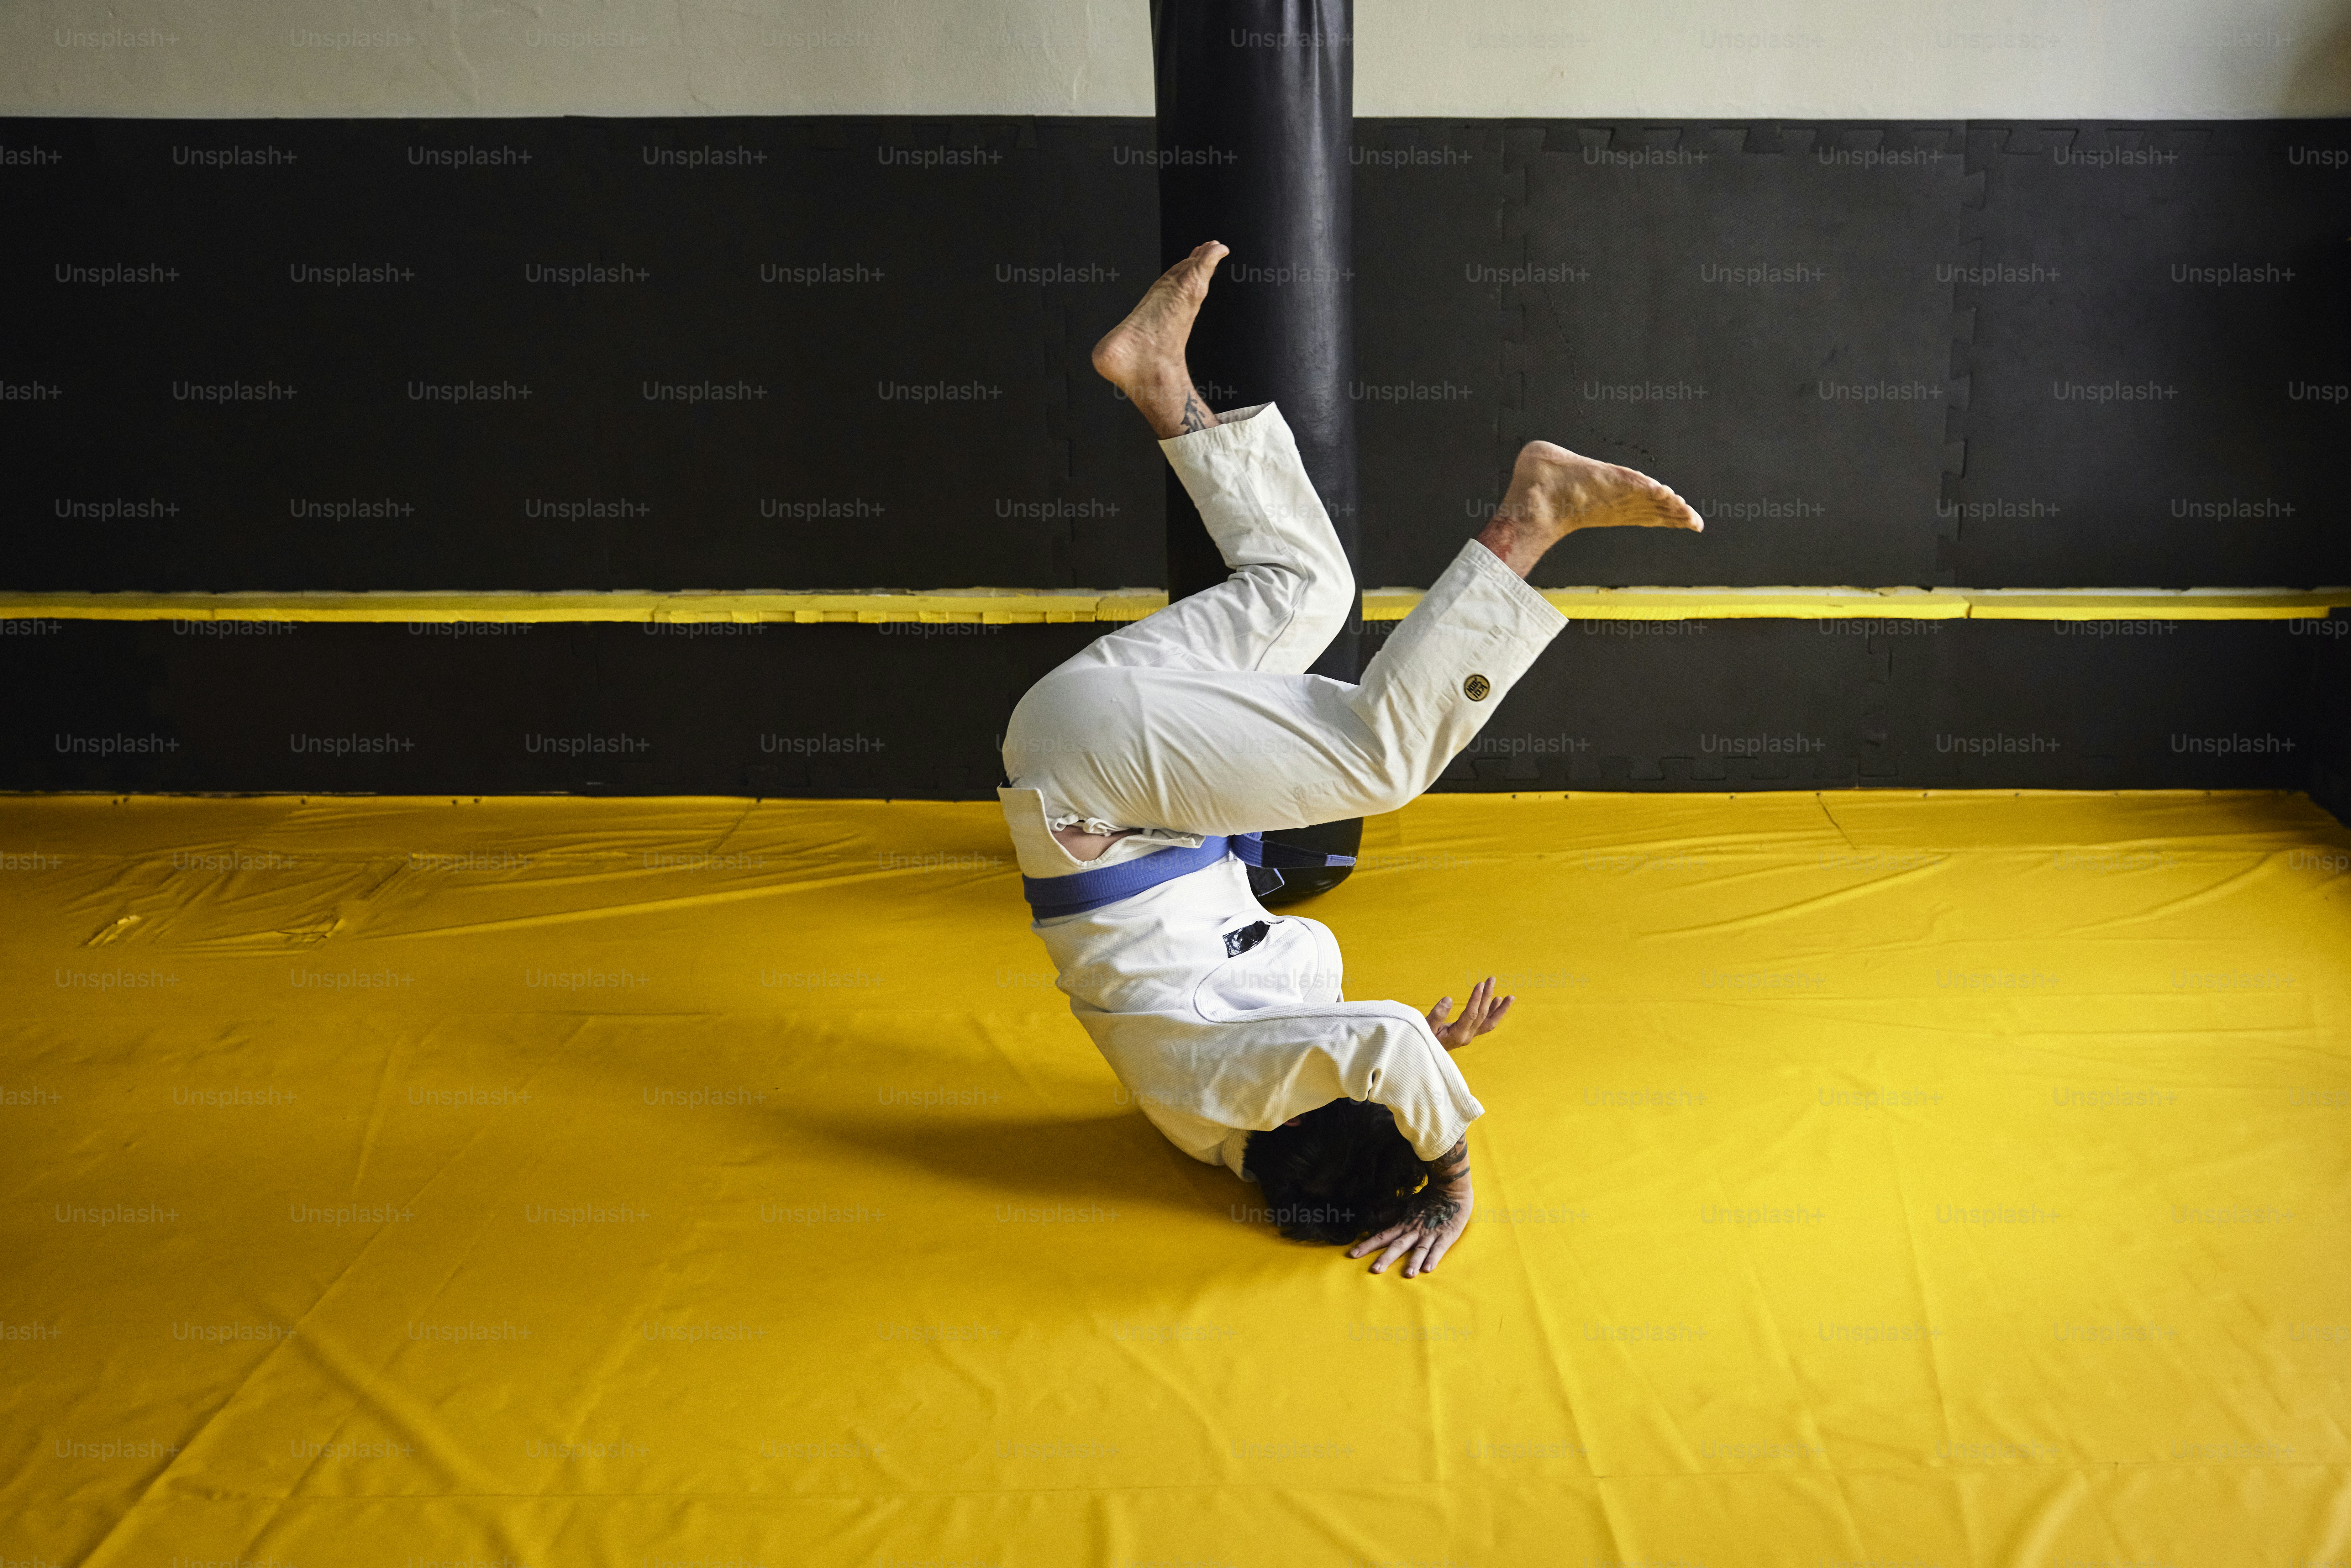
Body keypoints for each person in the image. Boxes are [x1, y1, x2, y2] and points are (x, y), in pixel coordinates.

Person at [1000, 242, 1701, 1278]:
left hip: (1104, 779)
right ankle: (1160, 379)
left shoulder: (1230, 1095)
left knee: (1383, 761)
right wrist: (1400, 1055)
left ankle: (1534, 513)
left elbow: (1372, 1052)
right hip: (1088, 744)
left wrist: (1447, 1176)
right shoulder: (1219, 1123)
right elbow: (1331, 1028)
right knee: (1302, 587)